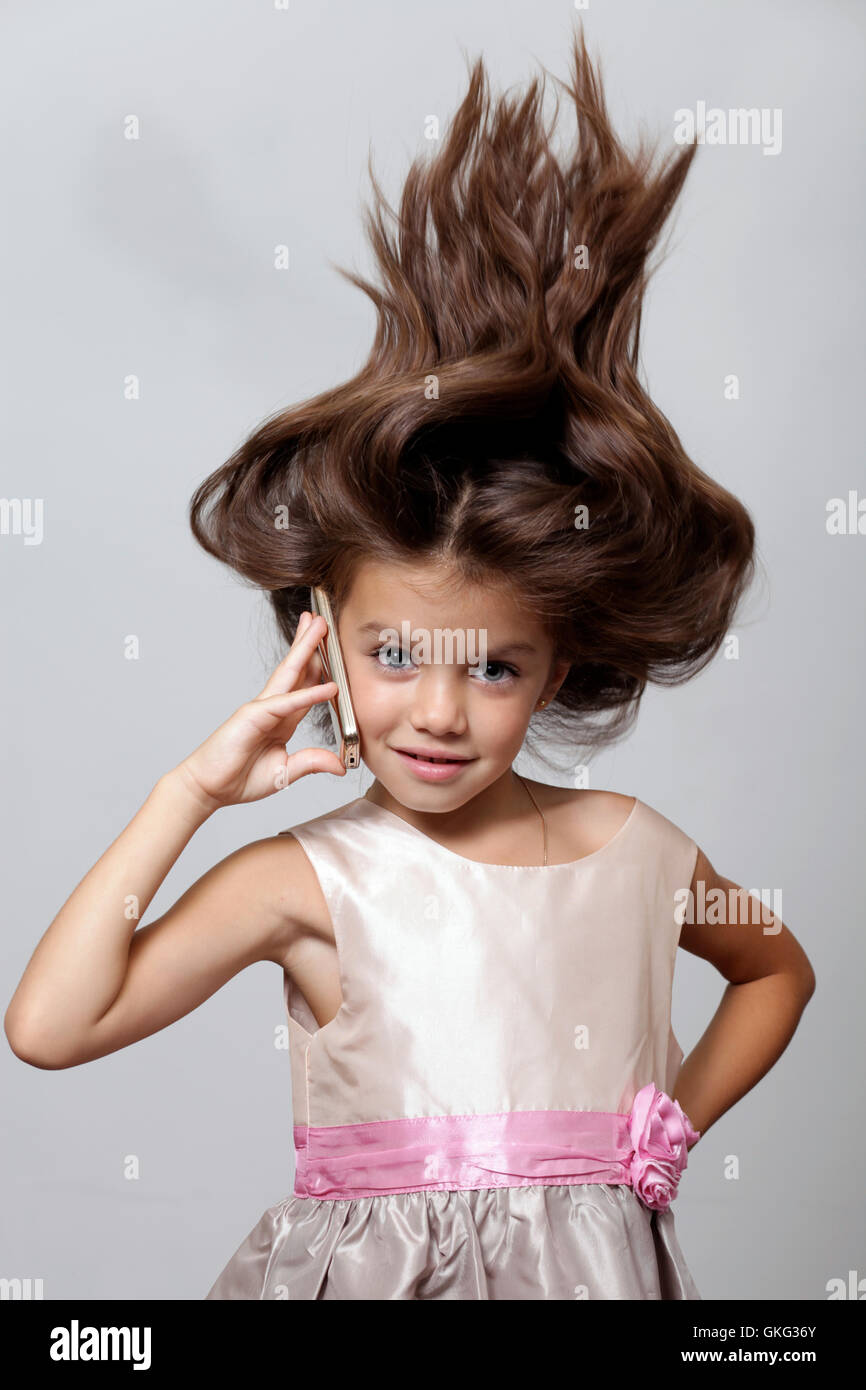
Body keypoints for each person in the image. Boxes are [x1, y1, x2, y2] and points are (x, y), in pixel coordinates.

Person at [4, 25, 815, 1300]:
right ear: (320, 628)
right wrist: (188, 797)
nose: (435, 711)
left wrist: (663, 1136)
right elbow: (49, 1028)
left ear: (557, 669)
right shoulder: (307, 882)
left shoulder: (639, 853)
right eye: (392, 653)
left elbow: (777, 969)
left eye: (492, 667)